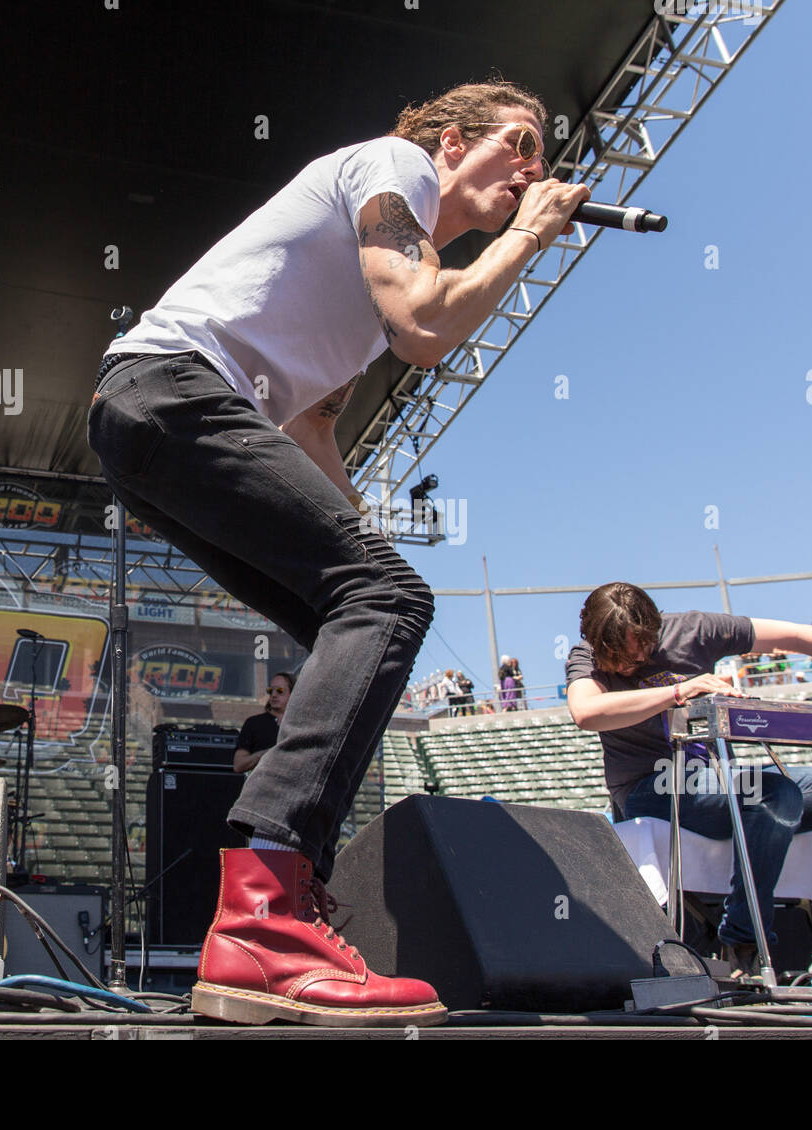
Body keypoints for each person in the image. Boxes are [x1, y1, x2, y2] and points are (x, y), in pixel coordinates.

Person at [87, 78, 588, 1027]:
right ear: (451, 140)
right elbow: (428, 325)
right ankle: (268, 907)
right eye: (519, 145)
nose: (533, 170)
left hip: (155, 419)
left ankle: (264, 923)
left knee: (361, 611)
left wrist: (365, 543)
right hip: (178, 391)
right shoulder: (397, 171)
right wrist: (534, 235)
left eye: (541, 160)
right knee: (388, 603)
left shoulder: (379, 265)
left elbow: (313, 433)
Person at [565, 582, 812, 987]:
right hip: (647, 789)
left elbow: (798, 636)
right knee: (775, 795)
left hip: (712, 781)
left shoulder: (695, 629)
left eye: (643, 644)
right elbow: (586, 711)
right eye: (619, 653)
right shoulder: (585, 655)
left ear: (656, 626)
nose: (634, 658)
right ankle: (741, 942)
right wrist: (678, 690)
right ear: (595, 641)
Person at [232, 672, 295, 774]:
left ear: (293, 694)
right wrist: (263, 754)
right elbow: (238, 765)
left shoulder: (300, 725)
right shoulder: (253, 723)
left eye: (280, 691)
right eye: (270, 690)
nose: (274, 695)